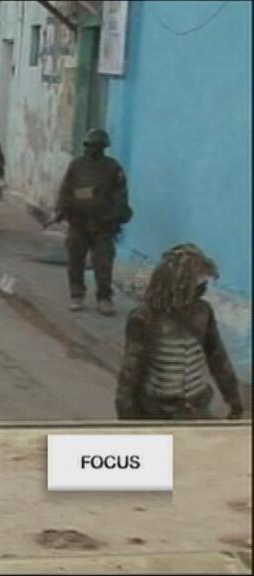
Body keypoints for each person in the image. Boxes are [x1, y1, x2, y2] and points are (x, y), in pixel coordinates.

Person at [115, 244, 244, 420]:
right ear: (178, 282)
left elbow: (217, 357)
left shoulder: (203, 311)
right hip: (156, 411)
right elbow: (131, 368)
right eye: (198, 279)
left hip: (196, 407)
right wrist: (126, 412)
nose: (204, 284)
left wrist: (233, 397)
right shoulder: (144, 318)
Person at [53, 129, 132, 314]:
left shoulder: (113, 168)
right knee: (75, 260)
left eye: (96, 146)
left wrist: (112, 215)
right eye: (89, 146)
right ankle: (77, 294)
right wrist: (62, 209)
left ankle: (104, 297)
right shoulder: (76, 166)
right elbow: (66, 189)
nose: (92, 150)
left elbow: (121, 196)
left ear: (103, 148)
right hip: (78, 223)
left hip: (103, 225)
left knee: (103, 263)